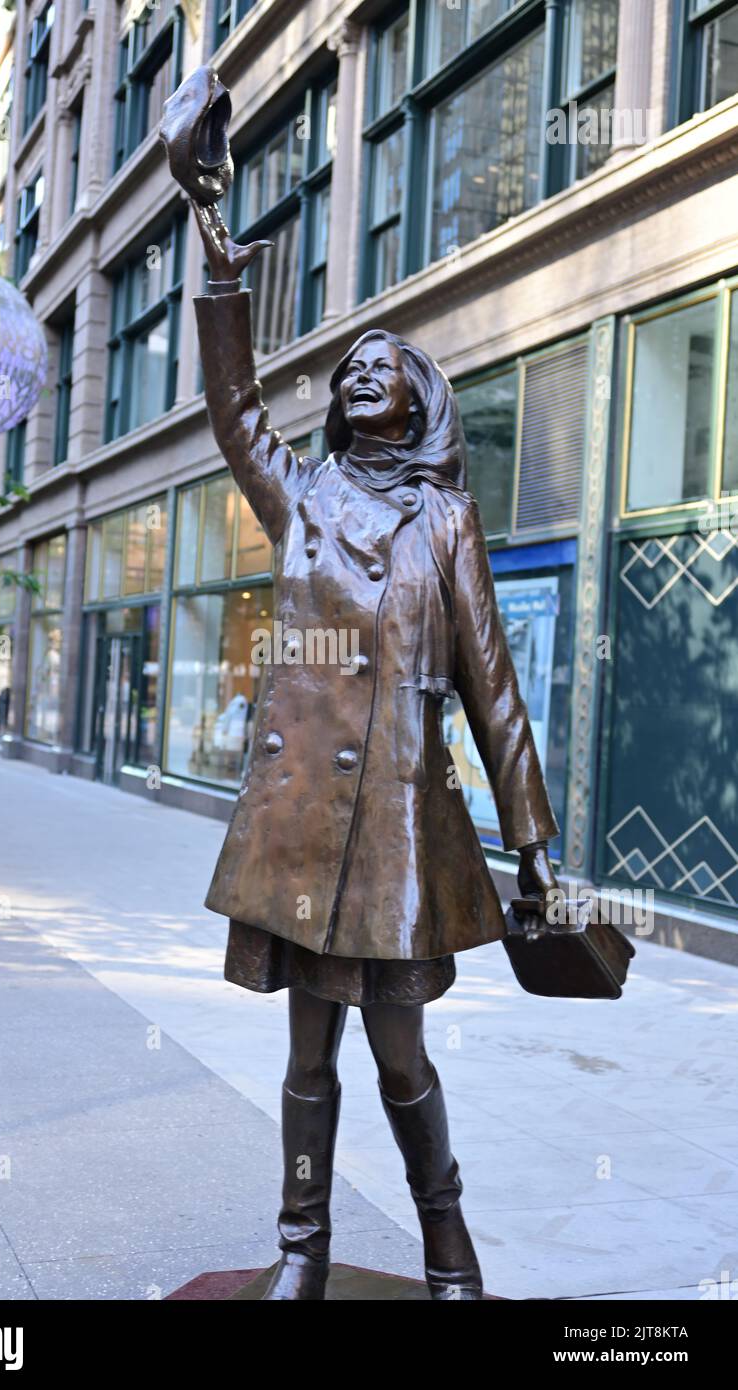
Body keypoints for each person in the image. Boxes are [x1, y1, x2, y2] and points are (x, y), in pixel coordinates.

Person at [189, 201, 559, 1301]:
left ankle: (447, 1244)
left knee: (400, 1058)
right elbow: (234, 411)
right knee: (307, 1060)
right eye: (349, 363)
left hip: (396, 830)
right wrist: (217, 258)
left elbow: (492, 684)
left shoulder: (446, 519)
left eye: (386, 363)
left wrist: (530, 839)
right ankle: (300, 1245)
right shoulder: (299, 492)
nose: (362, 371)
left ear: (419, 396)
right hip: (302, 831)